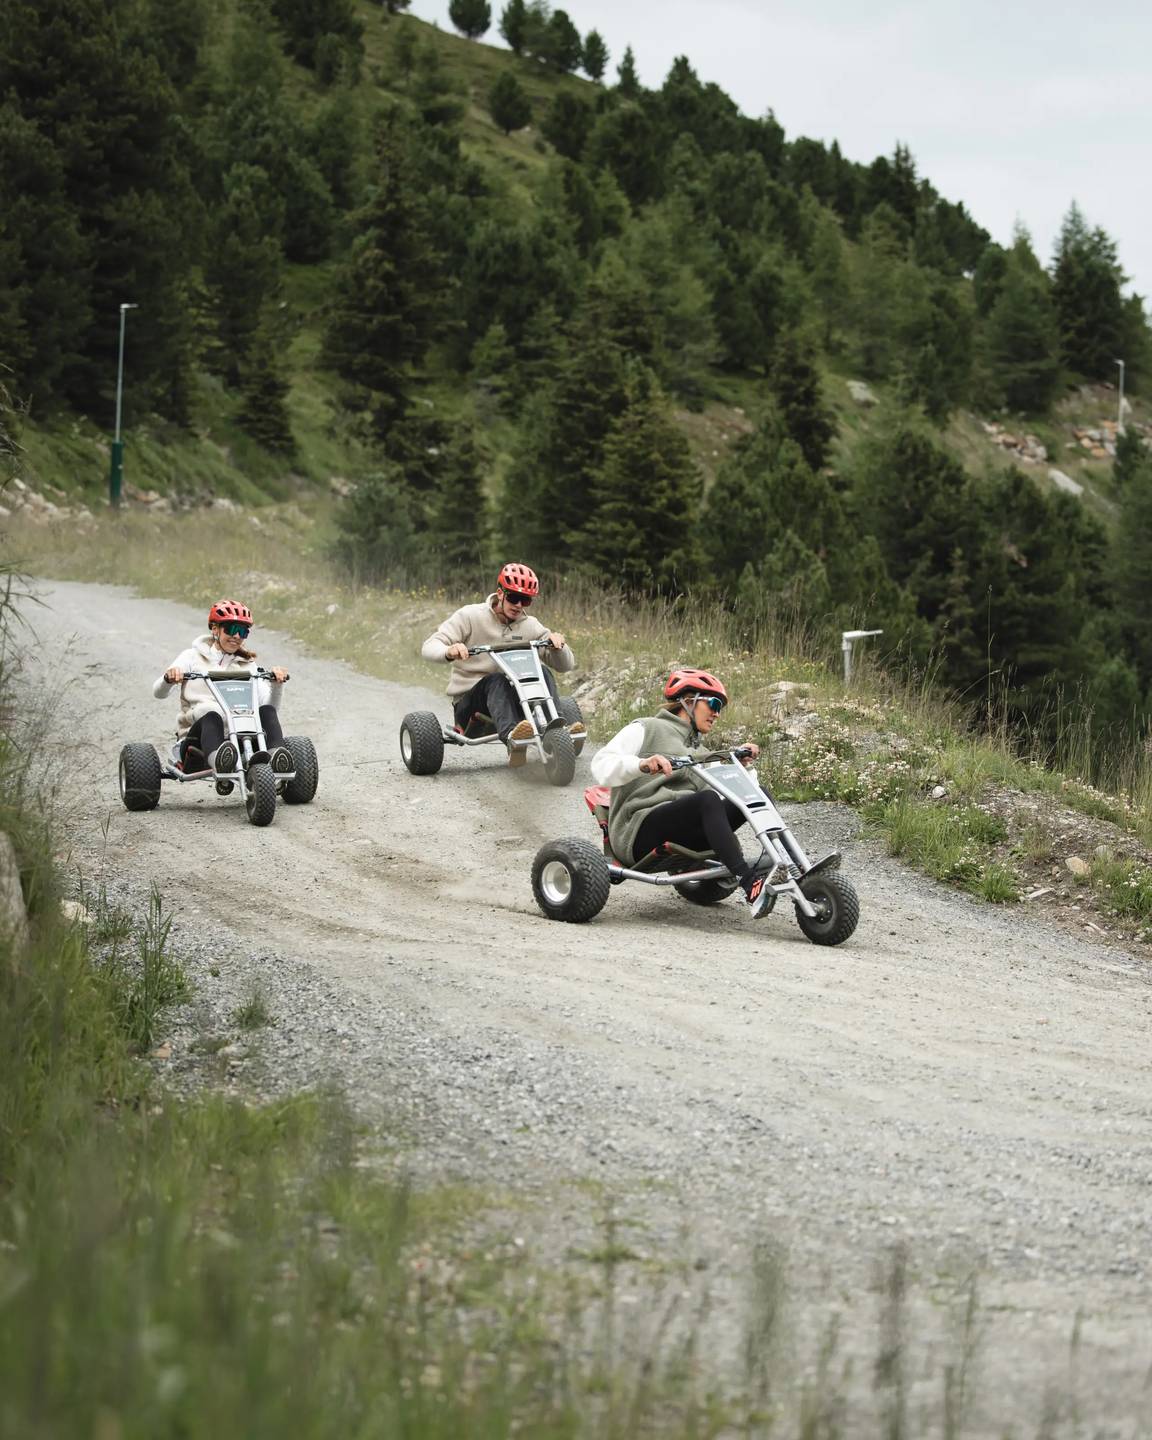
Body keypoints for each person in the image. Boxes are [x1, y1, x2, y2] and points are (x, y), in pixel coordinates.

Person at [590, 668, 774, 918]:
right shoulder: (646, 728)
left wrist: (741, 768)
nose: (717, 713)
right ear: (689, 700)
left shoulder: (701, 751)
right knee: (707, 801)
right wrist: (641, 764)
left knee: (759, 794)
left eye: (720, 707)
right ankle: (748, 881)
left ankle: (785, 864)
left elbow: (727, 797)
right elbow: (601, 765)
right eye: (713, 703)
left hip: (681, 833)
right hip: (638, 831)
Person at [421, 563, 579, 766]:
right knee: (496, 680)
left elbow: (565, 666)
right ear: (500, 593)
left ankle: (556, 733)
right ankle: (514, 740)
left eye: (526, 600)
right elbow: (430, 645)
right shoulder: (470, 616)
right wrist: (448, 651)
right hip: (471, 705)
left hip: (514, 701)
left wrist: (559, 646)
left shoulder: (530, 625)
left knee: (543, 672)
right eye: (514, 597)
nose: (519, 605)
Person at [153, 600, 289, 776]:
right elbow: (159, 693)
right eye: (232, 629)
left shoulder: (248, 666)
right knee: (211, 714)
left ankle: (277, 759)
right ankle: (221, 761)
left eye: (243, 632)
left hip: (241, 738)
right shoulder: (191, 657)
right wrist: (169, 679)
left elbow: (270, 707)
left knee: (268, 711)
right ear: (215, 629)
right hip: (198, 741)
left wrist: (277, 686)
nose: (237, 636)